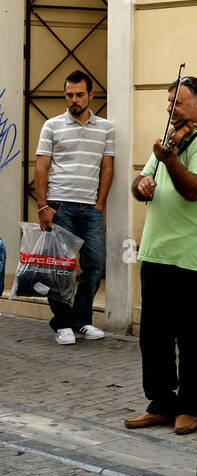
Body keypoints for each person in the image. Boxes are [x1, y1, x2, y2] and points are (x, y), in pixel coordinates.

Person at [124, 75, 197, 436]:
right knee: (153, 335)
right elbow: (140, 185)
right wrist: (143, 183)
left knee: (190, 335)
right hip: (158, 252)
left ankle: (188, 407)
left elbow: (195, 190)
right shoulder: (169, 138)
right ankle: (161, 403)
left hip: (192, 256)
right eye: (169, 102)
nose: (170, 108)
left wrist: (169, 163)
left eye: (177, 103)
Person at [34, 69, 113, 345]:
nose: (74, 100)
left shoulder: (106, 128)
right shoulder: (52, 126)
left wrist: (100, 205)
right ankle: (63, 322)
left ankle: (82, 320)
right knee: (61, 268)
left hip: (90, 207)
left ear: (91, 95)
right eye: (69, 95)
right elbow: (42, 166)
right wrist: (43, 206)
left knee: (95, 265)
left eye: (79, 95)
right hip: (60, 205)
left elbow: (107, 167)